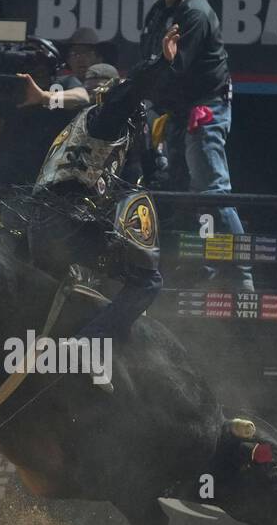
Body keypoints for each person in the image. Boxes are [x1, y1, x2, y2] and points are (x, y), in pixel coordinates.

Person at [28, 25, 181, 347]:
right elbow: (131, 91)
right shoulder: (108, 118)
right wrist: (162, 63)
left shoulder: (77, 124)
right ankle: (89, 345)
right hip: (67, 226)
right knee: (147, 280)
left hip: (41, 225)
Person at [139, 0, 251, 292]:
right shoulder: (160, 12)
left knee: (212, 191)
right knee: (181, 192)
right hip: (176, 111)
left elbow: (178, 68)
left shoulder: (196, 13)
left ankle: (241, 274)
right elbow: (153, 63)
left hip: (204, 109)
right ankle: (201, 267)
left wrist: (164, 63)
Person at [0, 37, 89, 187]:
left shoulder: (60, 84)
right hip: (14, 184)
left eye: (38, 64)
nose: (34, 72)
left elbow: (82, 98)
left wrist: (44, 97)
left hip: (56, 181)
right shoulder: (8, 91)